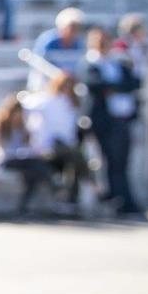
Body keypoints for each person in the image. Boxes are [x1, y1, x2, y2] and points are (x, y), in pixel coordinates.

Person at [84, 28, 144, 215]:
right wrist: (116, 87)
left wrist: (114, 88)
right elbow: (95, 85)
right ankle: (116, 198)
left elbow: (134, 82)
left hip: (122, 118)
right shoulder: (90, 63)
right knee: (110, 160)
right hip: (104, 121)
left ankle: (125, 198)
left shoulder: (117, 62)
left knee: (122, 162)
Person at [24, 69, 91, 208]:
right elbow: (26, 106)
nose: (67, 88)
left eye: (70, 85)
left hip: (66, 147)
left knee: (74, 161)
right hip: (49, 147)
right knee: (76, 157)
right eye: (65, 85)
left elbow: (69, 132)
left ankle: (71, 199)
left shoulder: (71, 105)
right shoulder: (48, 100)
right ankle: (94, 185)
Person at [0, 91, 54, 214]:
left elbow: (28, 146)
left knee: (33, 171)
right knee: (34, 168)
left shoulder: (23, 128)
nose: (17, 116)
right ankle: (53, 189)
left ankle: (24, 206)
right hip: (4, 160)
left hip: (21, 161)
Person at [30, 6, 86, 89]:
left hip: (70, 81)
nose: (74, 31)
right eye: (72, 27)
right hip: (48, 79)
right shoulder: (48, 40)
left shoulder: (78, 43)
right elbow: (40, 63)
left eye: (77, 28)